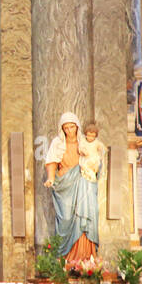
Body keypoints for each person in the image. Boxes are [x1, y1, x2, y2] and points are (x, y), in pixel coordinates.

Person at [44, 112, 100, 271]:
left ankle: (84, 259)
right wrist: (50, 178)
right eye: (66, 128)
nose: (69, 130)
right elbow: (51, 162)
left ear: (77, 127)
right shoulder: (57, 142)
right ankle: (65, 259)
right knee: (66, 218)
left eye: (72, 127)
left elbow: (96, 158)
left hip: (83, 183)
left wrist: (93, 167)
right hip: (65, 185)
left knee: (83, 217)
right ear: (62, 129)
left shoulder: (84, 141)